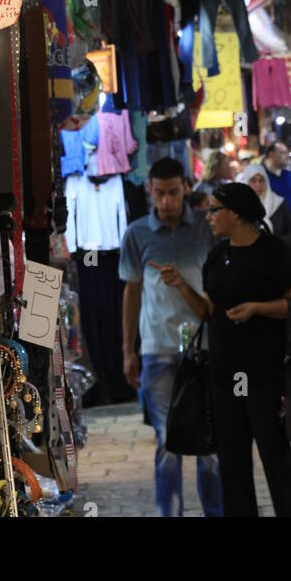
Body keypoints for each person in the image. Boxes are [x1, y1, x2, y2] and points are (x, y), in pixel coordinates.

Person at [153, 181, 291, 518]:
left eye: (215, 210)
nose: (208, 216)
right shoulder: (218, 256)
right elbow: (207, 311)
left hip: (264, 372)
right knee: (232, 463)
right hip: (223, 374)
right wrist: (181, 285)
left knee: (275, 456)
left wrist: (257, 307)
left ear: (235, 214)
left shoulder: (273, 251)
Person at [119, 156, 222, 517]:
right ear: (150, 190)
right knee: (167, 442)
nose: (166, 201)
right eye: (160, 193)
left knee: (210, 446)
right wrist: (127, 350)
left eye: (173, 193)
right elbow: (131, 292)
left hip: (203, 348)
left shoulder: (204, 230)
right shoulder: (136, 234)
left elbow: (218, 288)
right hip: (157, 350)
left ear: (185, 188)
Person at [237, 163, 291, 251]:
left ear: (266, 181)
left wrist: (275, 244)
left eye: (261, 180)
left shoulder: (279, 203)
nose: (258, 184)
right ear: (246, 183)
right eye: (253, 180)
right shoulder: (240, 208)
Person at [262, 140, 291, 216]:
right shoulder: (261, 178)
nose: (287, 156)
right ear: (271, 155)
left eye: (287, 152)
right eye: (283, 153)